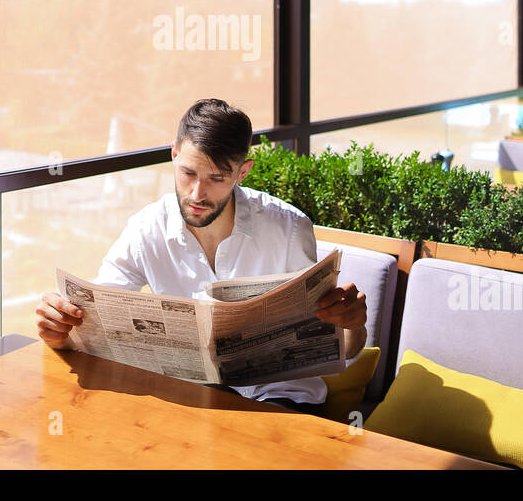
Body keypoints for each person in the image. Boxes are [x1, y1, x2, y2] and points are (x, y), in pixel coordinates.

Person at [36, 98, 367, 413]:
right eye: (188, 173)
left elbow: (344, 348)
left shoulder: (289, 229)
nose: (197, 194)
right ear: (174, 154)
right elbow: (92, 321)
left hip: (279, 401)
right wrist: (61, 328)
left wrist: (353, 326)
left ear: (243, 172)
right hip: (189, 400)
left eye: (216, 178)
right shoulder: (146, 229)